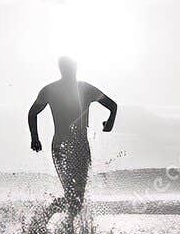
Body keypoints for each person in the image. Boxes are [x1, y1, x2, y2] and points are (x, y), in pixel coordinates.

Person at [28, 56, 117, 223]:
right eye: (67, 68)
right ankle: (49, 222)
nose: (70, 71)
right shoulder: (50, 90)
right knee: (72, 196)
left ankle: (57, 225)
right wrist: (34, 138)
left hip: (81, 147)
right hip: (61, 147)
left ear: (75, 68)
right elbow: (32, 113)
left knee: (78, 199)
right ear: (61, 69)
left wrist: (110, 123)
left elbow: (113, 106)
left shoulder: (86, 89)